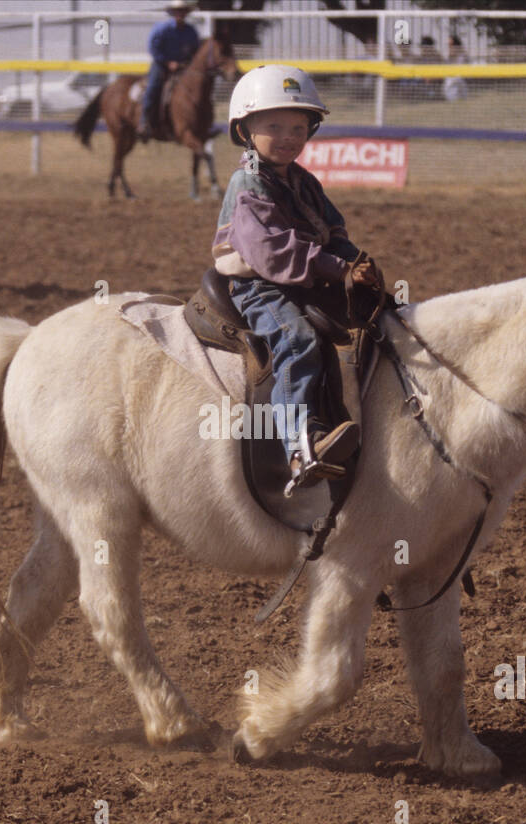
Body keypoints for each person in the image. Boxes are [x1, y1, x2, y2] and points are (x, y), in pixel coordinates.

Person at [212, 65, 383, 490]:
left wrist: (356, 261)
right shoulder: (247, 184)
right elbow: (271, 252)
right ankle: (301, 446)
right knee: (297, 339)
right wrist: (336, 268)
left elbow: (332, 230)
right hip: (259, 284)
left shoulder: (304, 181)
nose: (289, 136)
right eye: (274, 126)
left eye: (299, 126)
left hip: (301, 277)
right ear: (245, 130)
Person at [137, 0, 199, 142]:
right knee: (152, 88)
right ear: (172, 13)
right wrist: (167, 62)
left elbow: (195, 51)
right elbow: (153, 48)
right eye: (177, 11)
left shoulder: (191, 31)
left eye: (182, 11)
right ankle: (144, 122)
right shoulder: (162, 28)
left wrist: (187, 63)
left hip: (183, 68)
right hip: (161, 65)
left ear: (186, 13)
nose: (180, 14)